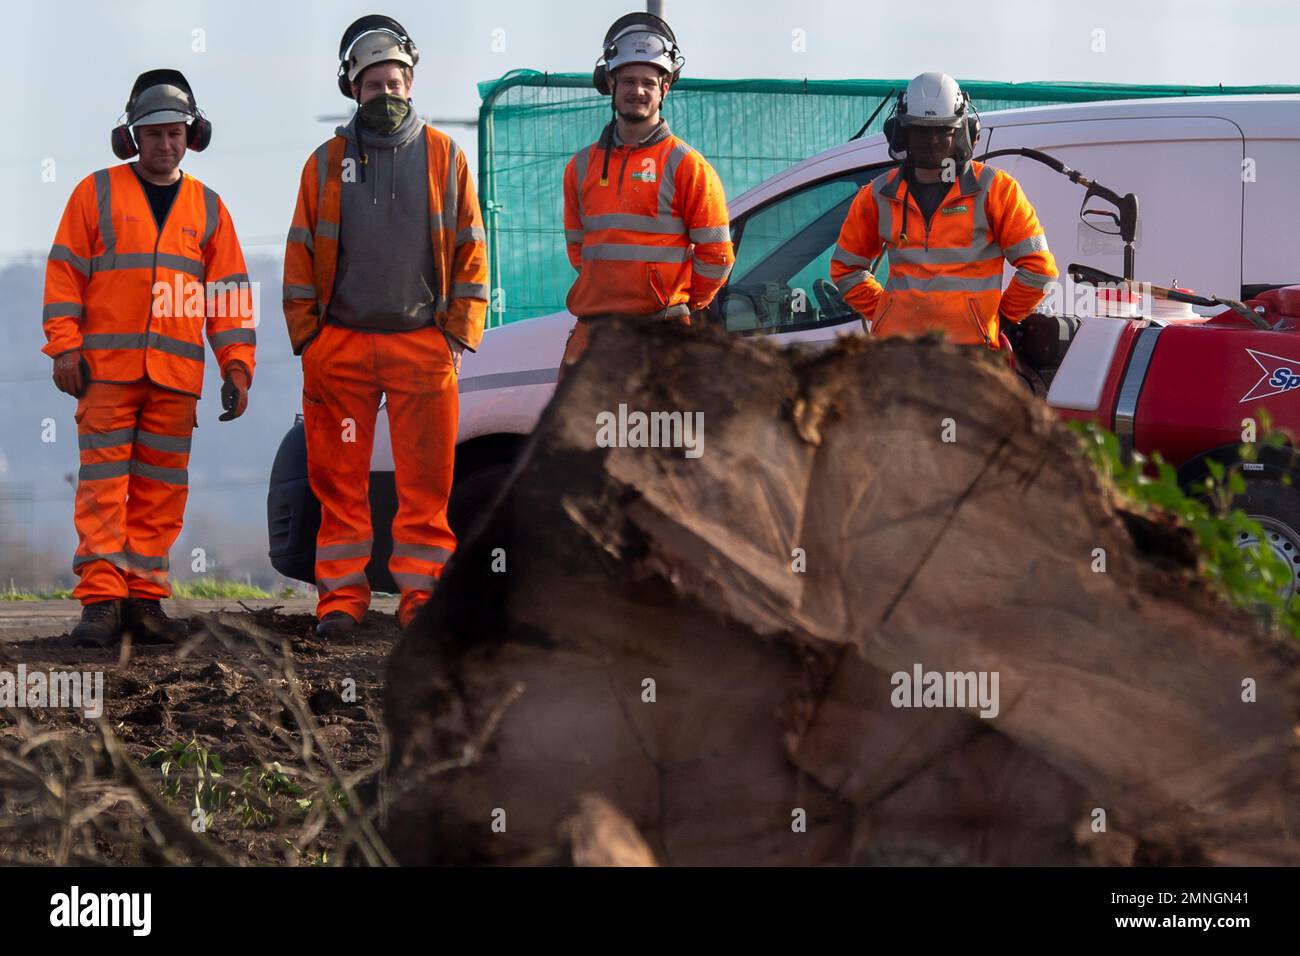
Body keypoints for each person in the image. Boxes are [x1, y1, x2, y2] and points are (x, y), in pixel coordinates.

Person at [282, 15, 488, 637]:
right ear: (353, 88)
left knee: (426, 488)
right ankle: (340, 602)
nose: (388, 93)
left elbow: (473, 251)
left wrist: (457, 334)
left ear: (412, 82)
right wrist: (309, 341)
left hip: (421, 344)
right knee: (338, 484)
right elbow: (298, 258)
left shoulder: (445, 157)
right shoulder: (324, 164)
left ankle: (422, 600)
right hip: (339, 347)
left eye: (397, 81)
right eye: (375, 84)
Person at [42, 69, 255, 645]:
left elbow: (229, 295)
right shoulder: (95, 193)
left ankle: (143, 600)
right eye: (154, 133)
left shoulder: (209, 209)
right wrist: (64, 348)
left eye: (176, 133)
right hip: (104, 376)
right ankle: (102, 602)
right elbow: (65, 275)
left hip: (175, 381)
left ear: (193, 135)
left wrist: (236, 365)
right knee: (104, 488)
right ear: (133, 136)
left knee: (160, 494)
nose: (165, 144)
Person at [831, 72, 1057, 348]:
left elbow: (1040, 271)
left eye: (944, 131)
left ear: (964, 131)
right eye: (922, 132)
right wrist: (888, 314)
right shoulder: (878, 195)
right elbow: (846, 269)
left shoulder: (996, 190)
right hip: (898, 357)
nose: (933, 142)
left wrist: (999, 319)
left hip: (970, 357)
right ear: (901, 133)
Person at [560, 12, 733, 369]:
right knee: (585, 428)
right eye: (627, 81)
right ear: (610, 83)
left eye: (648, 83)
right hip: (594, 339)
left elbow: (717, 256)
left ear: (664, 89)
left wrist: (678, 304)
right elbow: (579, 251)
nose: (637, 91)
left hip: (662, 337)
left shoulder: (688, 166)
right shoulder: (579, 168)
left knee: (656, 428)